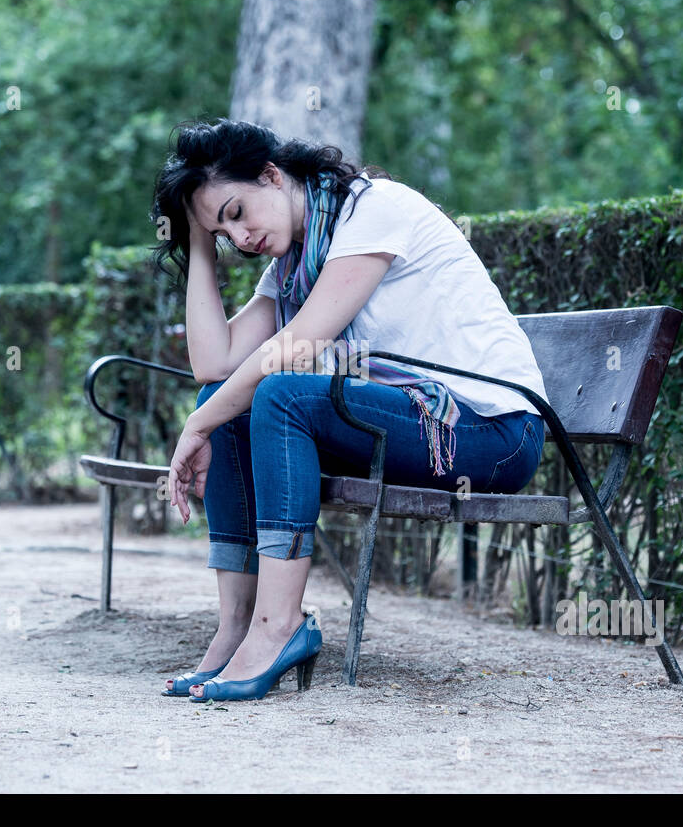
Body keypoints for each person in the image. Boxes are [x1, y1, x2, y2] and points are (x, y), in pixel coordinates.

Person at [148, 117, 549, 702]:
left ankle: (278, 627)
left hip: (490, 431)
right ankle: (237, 627)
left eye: (236, 212)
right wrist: (198, 241)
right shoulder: (291, 265)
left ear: (270, 174)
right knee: (224, 402)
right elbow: (213, 363)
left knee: (279, 392)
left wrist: (193, 426)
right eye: (222, 232)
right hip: (405, 426)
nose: (239, 236)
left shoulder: (372, 208)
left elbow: (297, 348)